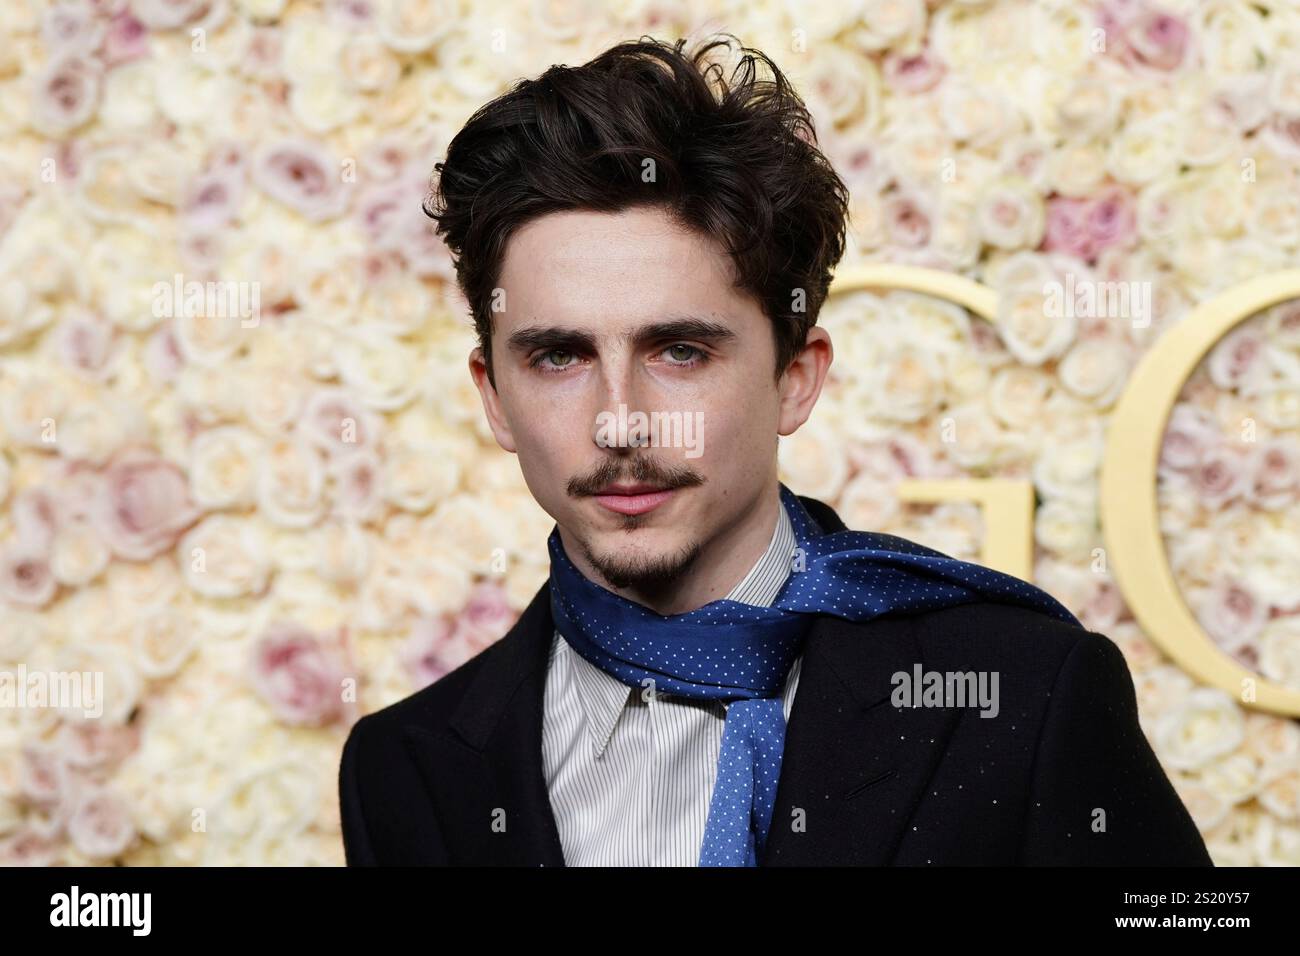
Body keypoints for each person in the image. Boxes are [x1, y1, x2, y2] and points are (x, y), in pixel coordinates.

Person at [337, 35, 1212, 867]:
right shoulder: (404, 770)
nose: (620, 423)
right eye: (558, 356)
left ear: (796, 377)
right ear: (493, 396)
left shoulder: (1023, 693)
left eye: (680, 351)